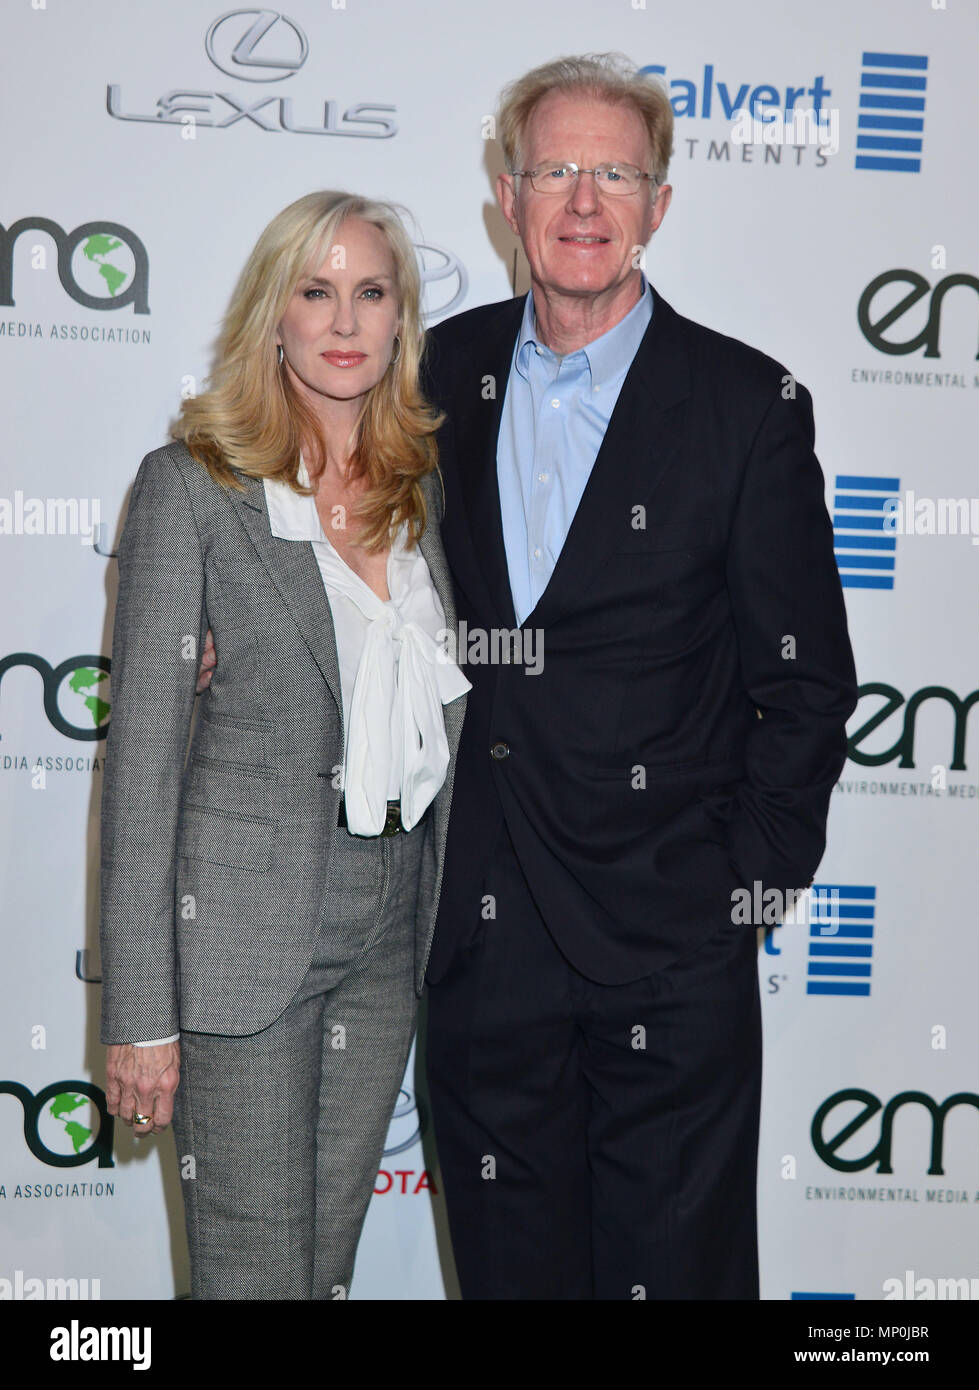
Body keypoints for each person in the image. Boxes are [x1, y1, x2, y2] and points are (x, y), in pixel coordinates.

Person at [419, 53, 858, 1299]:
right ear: (507, 195)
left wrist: (737, 892)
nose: (582, 200)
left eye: (615, 172)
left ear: (659, 206)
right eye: (555, 167)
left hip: (671, 950)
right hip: (487, 950)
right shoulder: (439, 377)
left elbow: (807, 683)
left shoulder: (744, 403)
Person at [99, 190, 469, 1300]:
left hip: (393, 925)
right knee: (253, 1275)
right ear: (274, 315)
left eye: (370, 292)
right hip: (245, 938)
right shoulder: (192, 488)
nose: (344, 319)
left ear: (401, 319)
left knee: (323, 1269)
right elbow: (142, 775)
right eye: (316, 291)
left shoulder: (425, 489)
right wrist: (139, 1016)